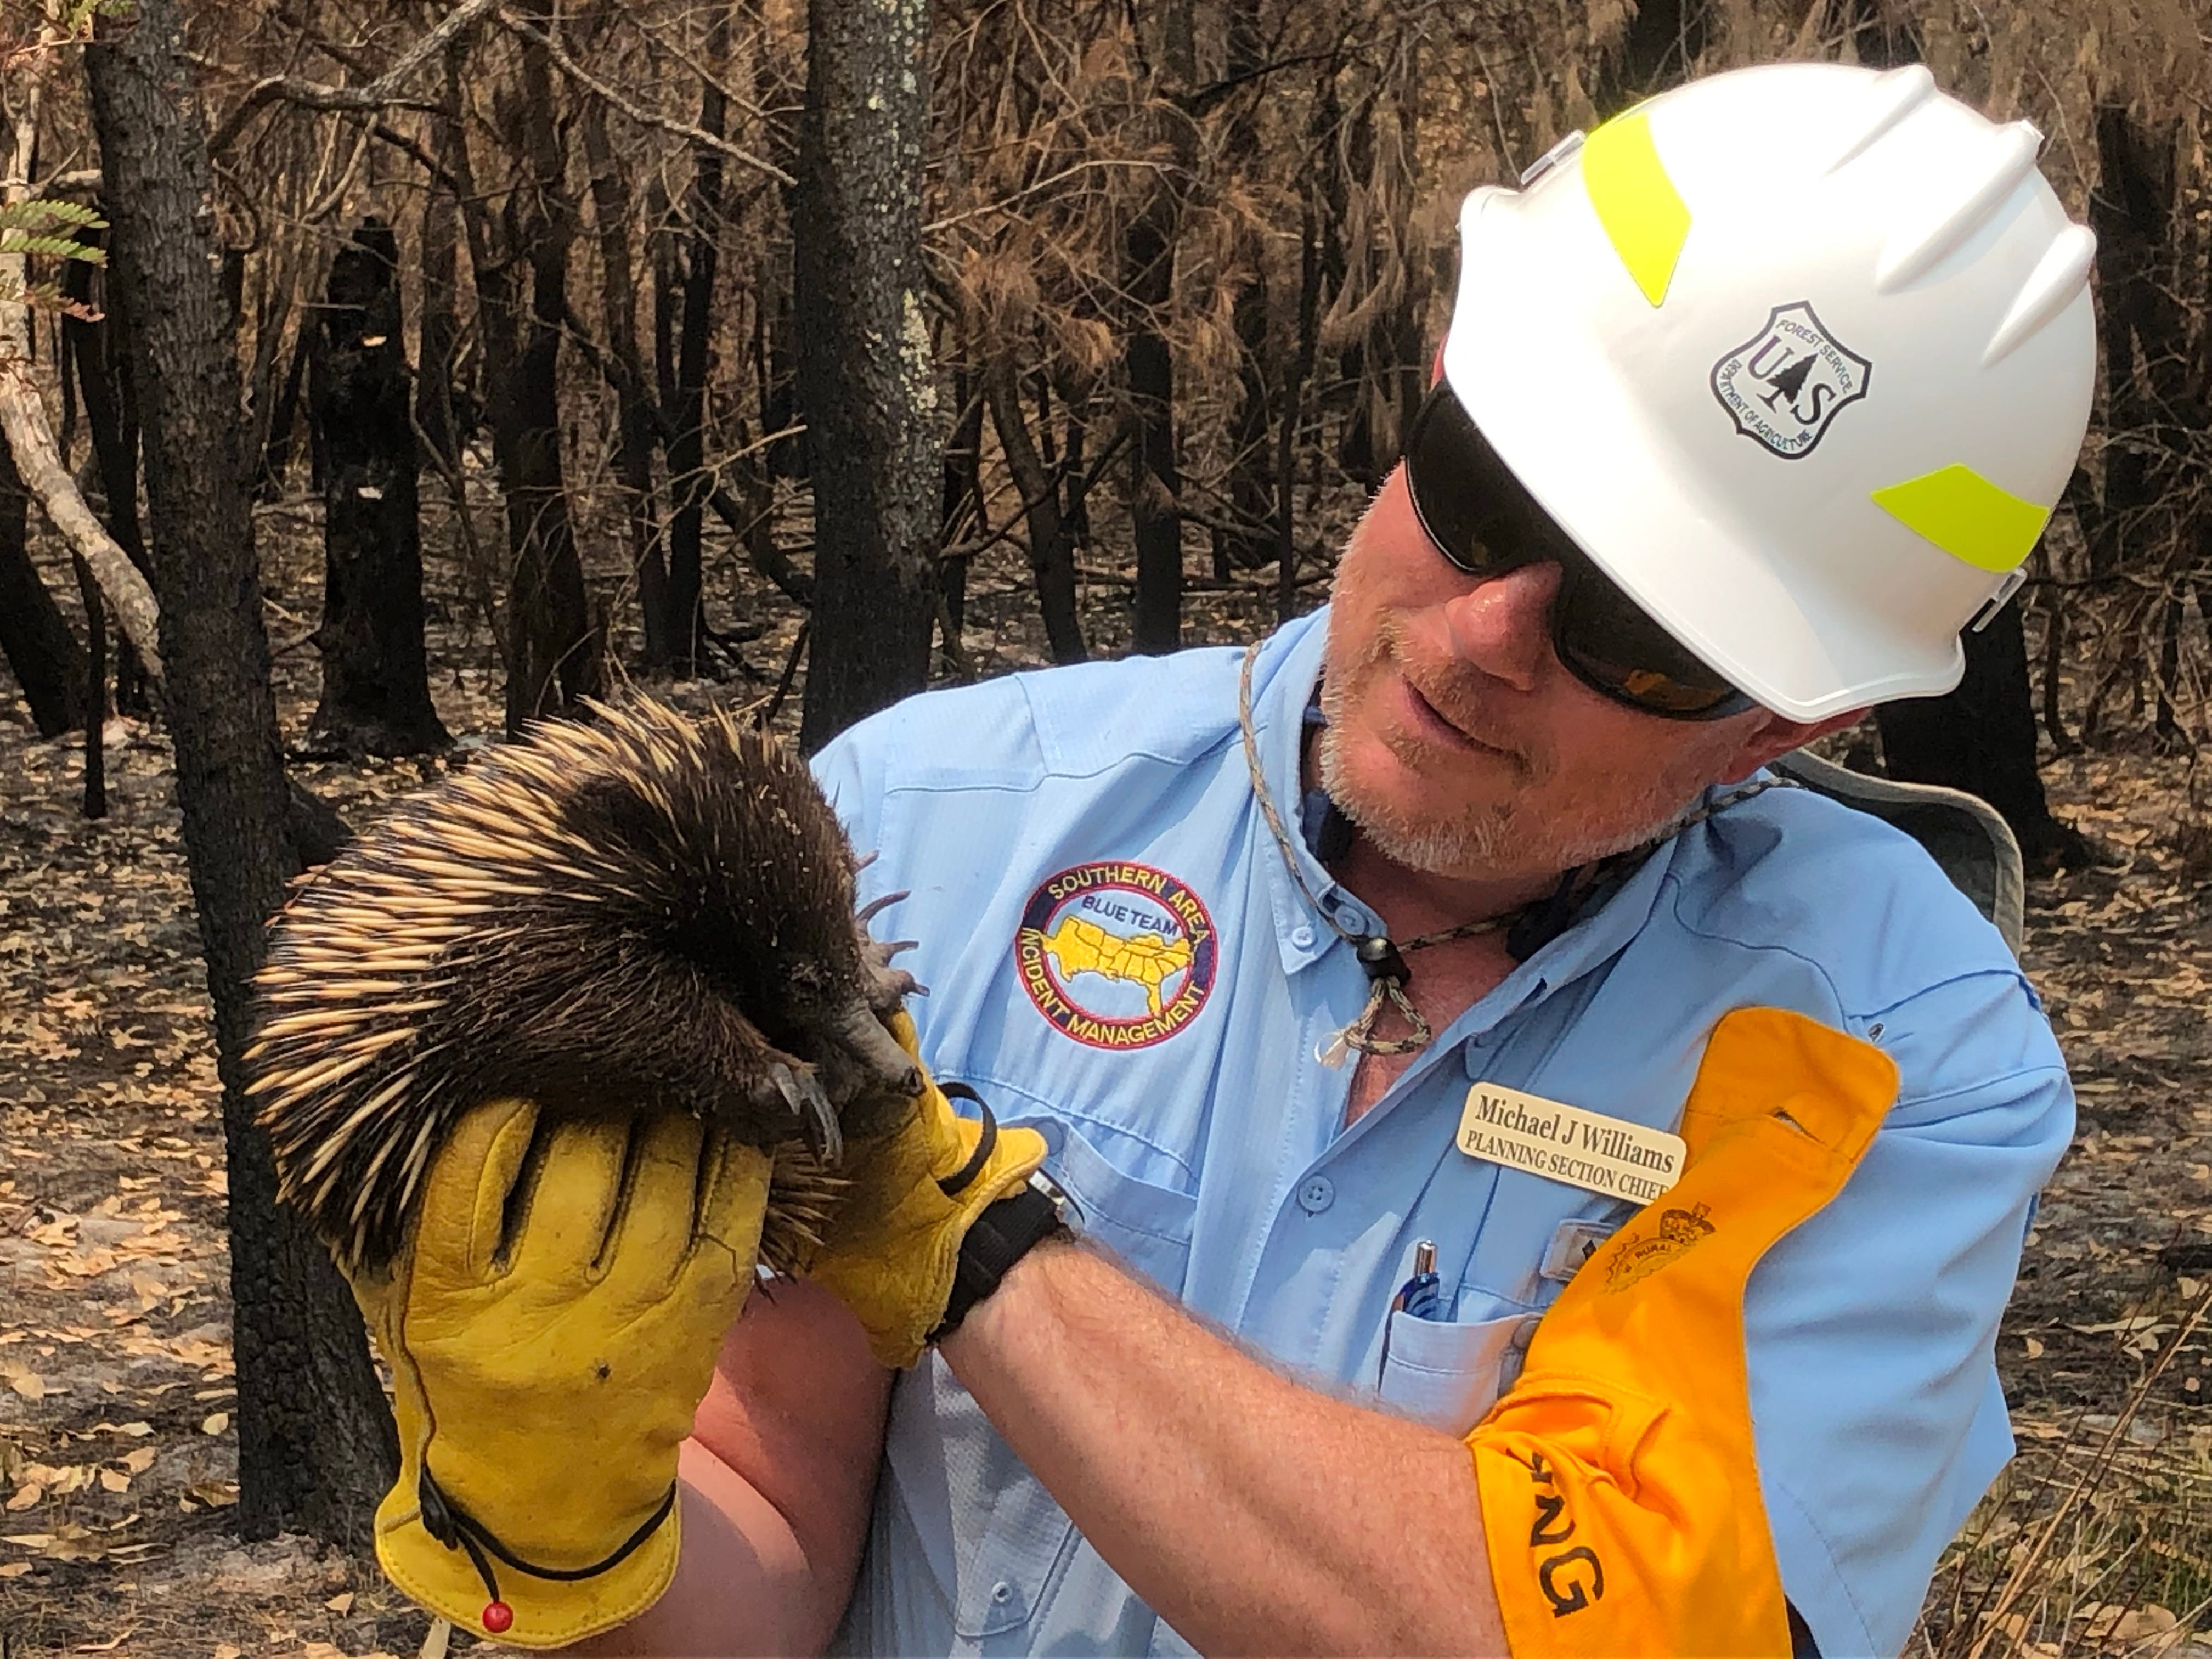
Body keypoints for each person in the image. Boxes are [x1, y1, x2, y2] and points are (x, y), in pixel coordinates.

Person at [349, 60, 2096, 1658]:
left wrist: (971, 1249)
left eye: (1638, 632)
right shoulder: (931, 833)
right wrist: (572, 1535)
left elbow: (1607, 1628)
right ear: (1432, 387)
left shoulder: (1893, 1052)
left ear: (1796, 722)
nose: (1484, 633)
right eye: (1481, 492)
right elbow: (774, 1544)